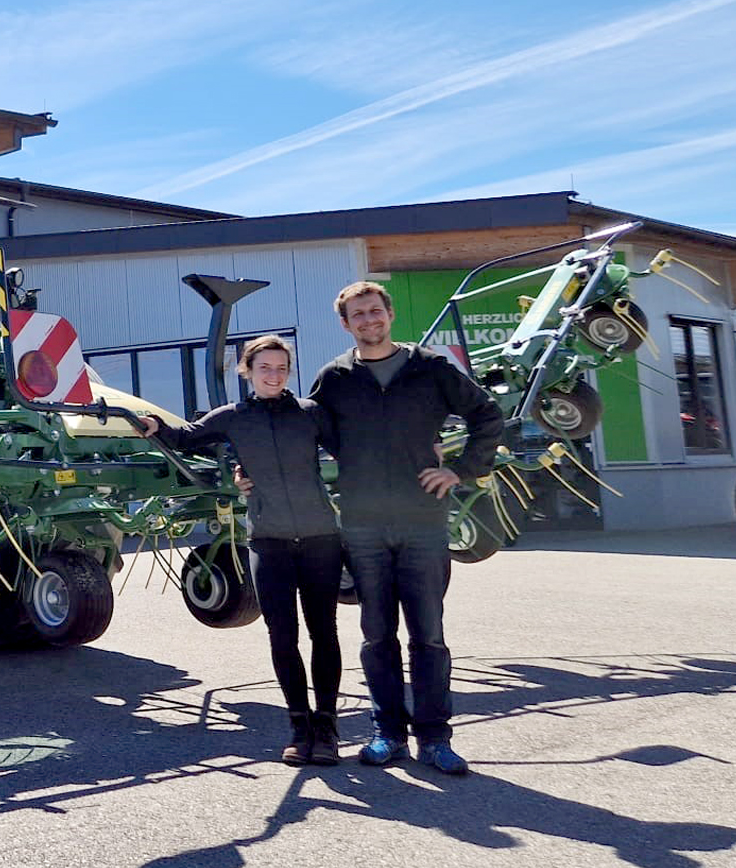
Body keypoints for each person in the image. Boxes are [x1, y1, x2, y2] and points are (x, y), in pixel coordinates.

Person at [310, 281, 503, 776]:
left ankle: (435, 739)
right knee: (377, 635)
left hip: (422, 521)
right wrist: (251, 472)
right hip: (363, 524)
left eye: (375, 311)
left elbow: (486, 414)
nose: (369, 321)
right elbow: (303, 432)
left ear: (390, 315)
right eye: (358, 315)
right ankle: (387, 733)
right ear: (345, 324)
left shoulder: (431, 368)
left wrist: (459, 469)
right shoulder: (334, 378)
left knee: (429, 635)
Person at [138, 334, 344, 766]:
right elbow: (186, 436)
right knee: (282, 637)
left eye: (281, 368)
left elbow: (356, 448)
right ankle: (298, 726)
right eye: (265, 367)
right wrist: (154, 425)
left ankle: (326, 729)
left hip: (321, 537)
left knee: (324, 634)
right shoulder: (233, 417)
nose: (274, 375)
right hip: (268, 541)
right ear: (247, 371)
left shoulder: (311, 415)